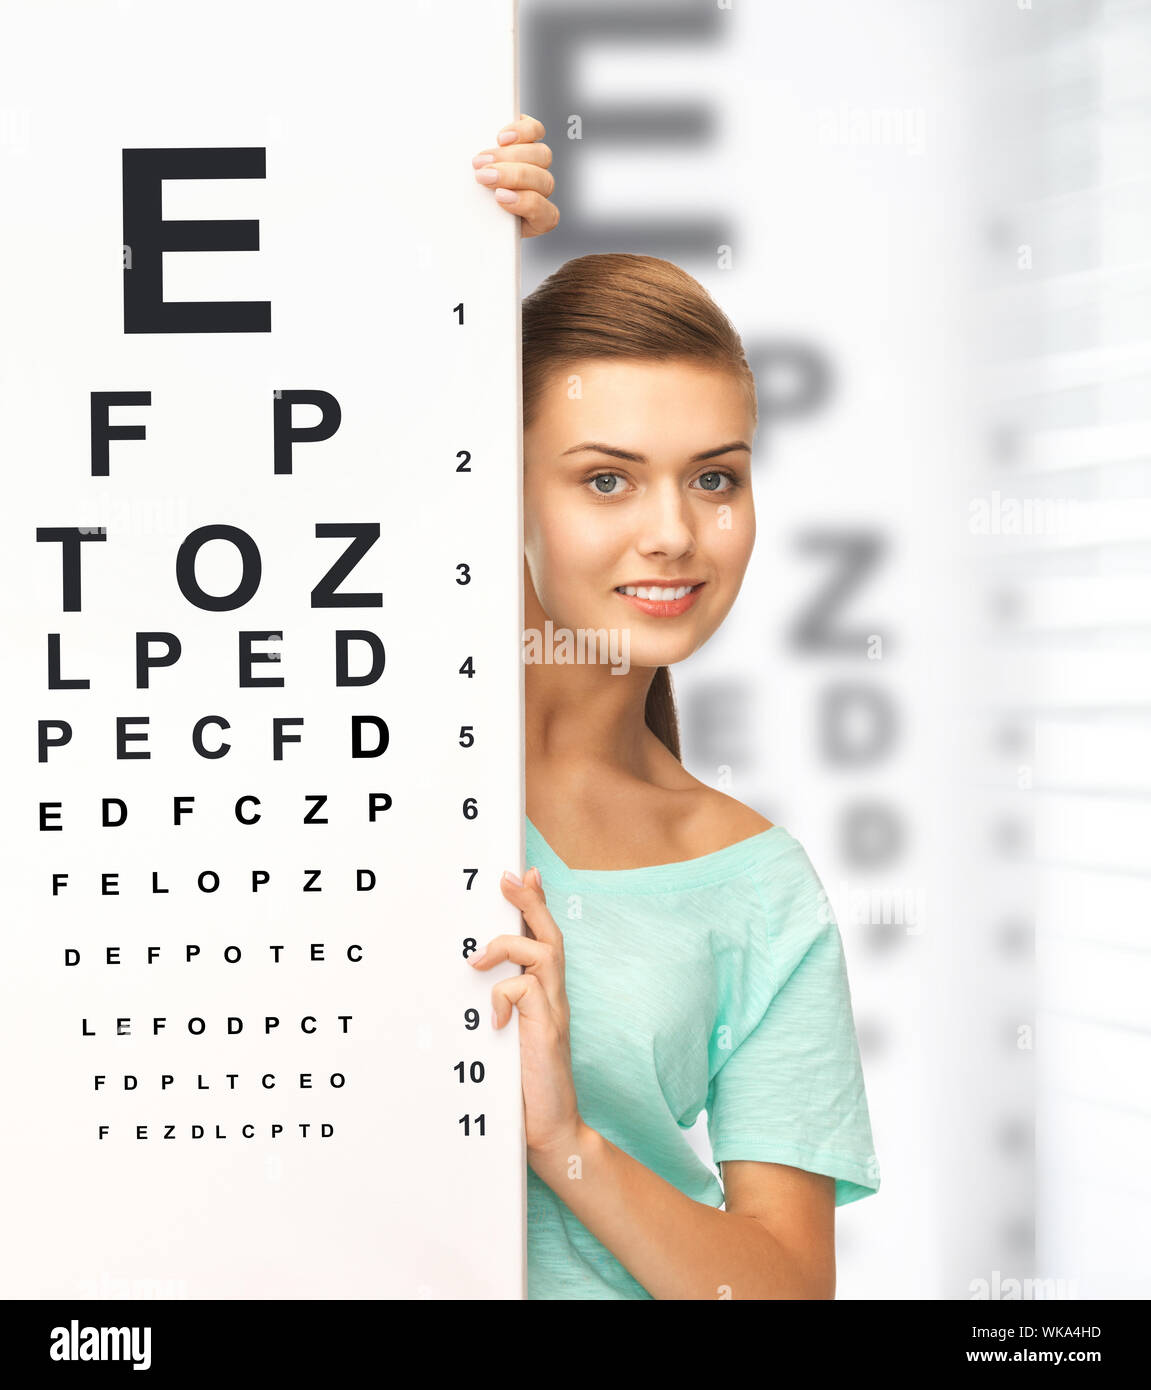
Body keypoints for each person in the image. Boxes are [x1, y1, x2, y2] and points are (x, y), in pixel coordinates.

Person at [470, 120, 880, 1300]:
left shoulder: (755, 884)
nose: (672, 533)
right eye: (605, 477)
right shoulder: (379, 756)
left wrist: (568, 1143)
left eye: (715, 476)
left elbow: (786, 1289)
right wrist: (439, 230)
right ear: (507, 486)